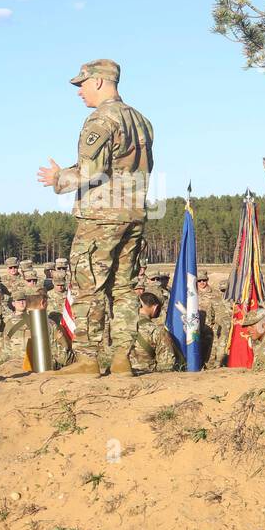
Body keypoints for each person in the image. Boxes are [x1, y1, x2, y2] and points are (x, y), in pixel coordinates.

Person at [37, 59, 154, 377]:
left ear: (101, 82)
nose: (80, 92)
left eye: (83, 84)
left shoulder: (100, 119)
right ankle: (121, 359)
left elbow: (93, 171)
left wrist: (59, 177)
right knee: (124, 288)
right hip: (134, 214)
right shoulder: (141, 120)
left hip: (102, 217)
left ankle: (88, 359)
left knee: (89, 286)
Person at [129, 292, 177, 374]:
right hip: (146, 374)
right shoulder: (157, 330)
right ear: (155, 307)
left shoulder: (121, 328)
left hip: (121, 373)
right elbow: (166, 365)